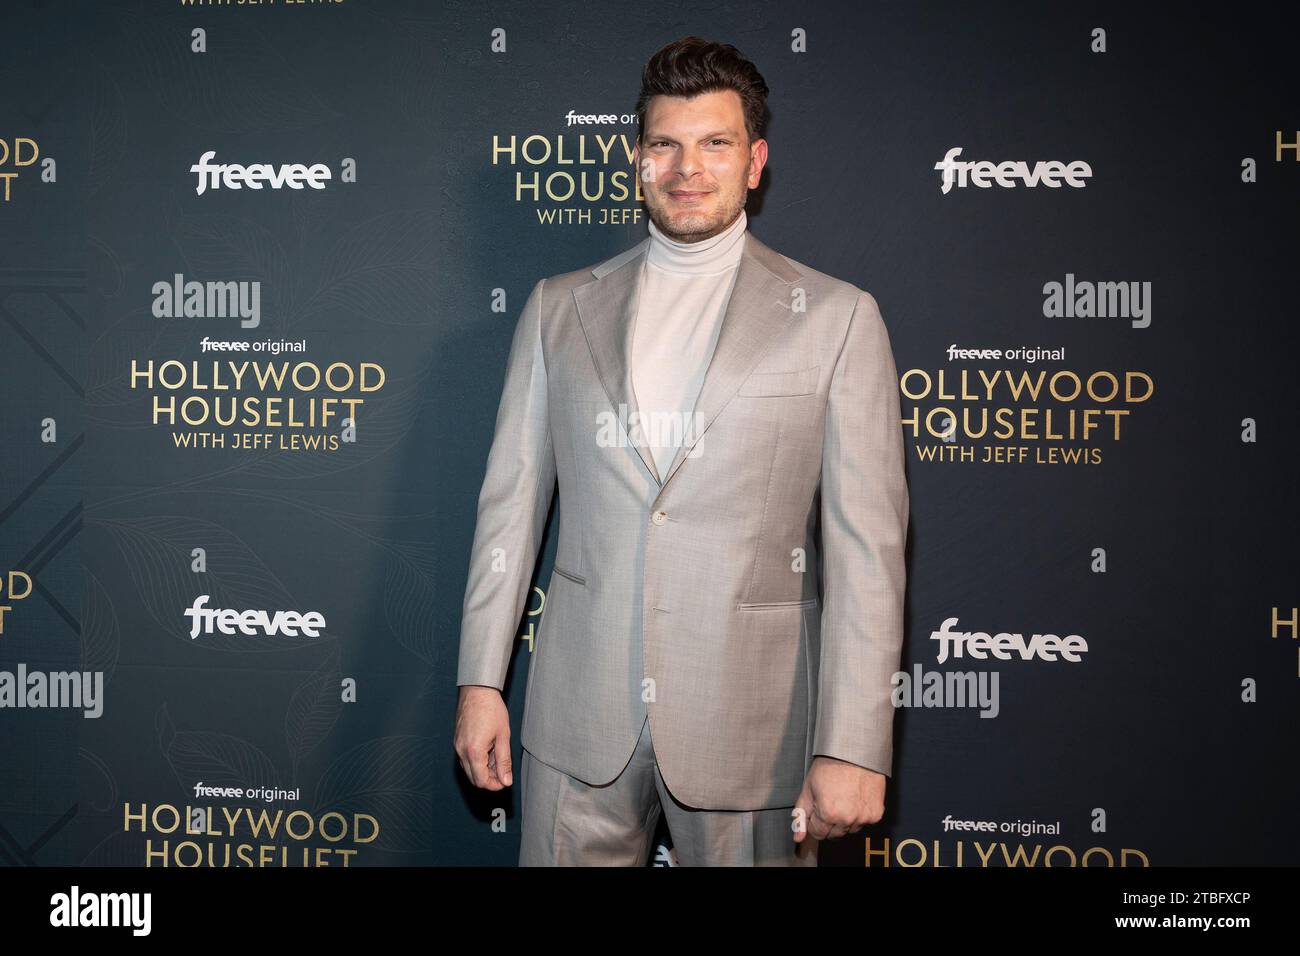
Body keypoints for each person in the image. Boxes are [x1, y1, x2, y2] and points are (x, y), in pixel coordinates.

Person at [453, 36, 910, 866]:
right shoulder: (559, 309)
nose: (686, 168)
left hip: (757, 731)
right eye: (665, 144)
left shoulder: (839, 318)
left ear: (756, 160)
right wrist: (481, 681)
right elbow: (509, 512)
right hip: (577, 723)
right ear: (638, 160)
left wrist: (855, 743)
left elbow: (867, 551)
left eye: (715, 143)